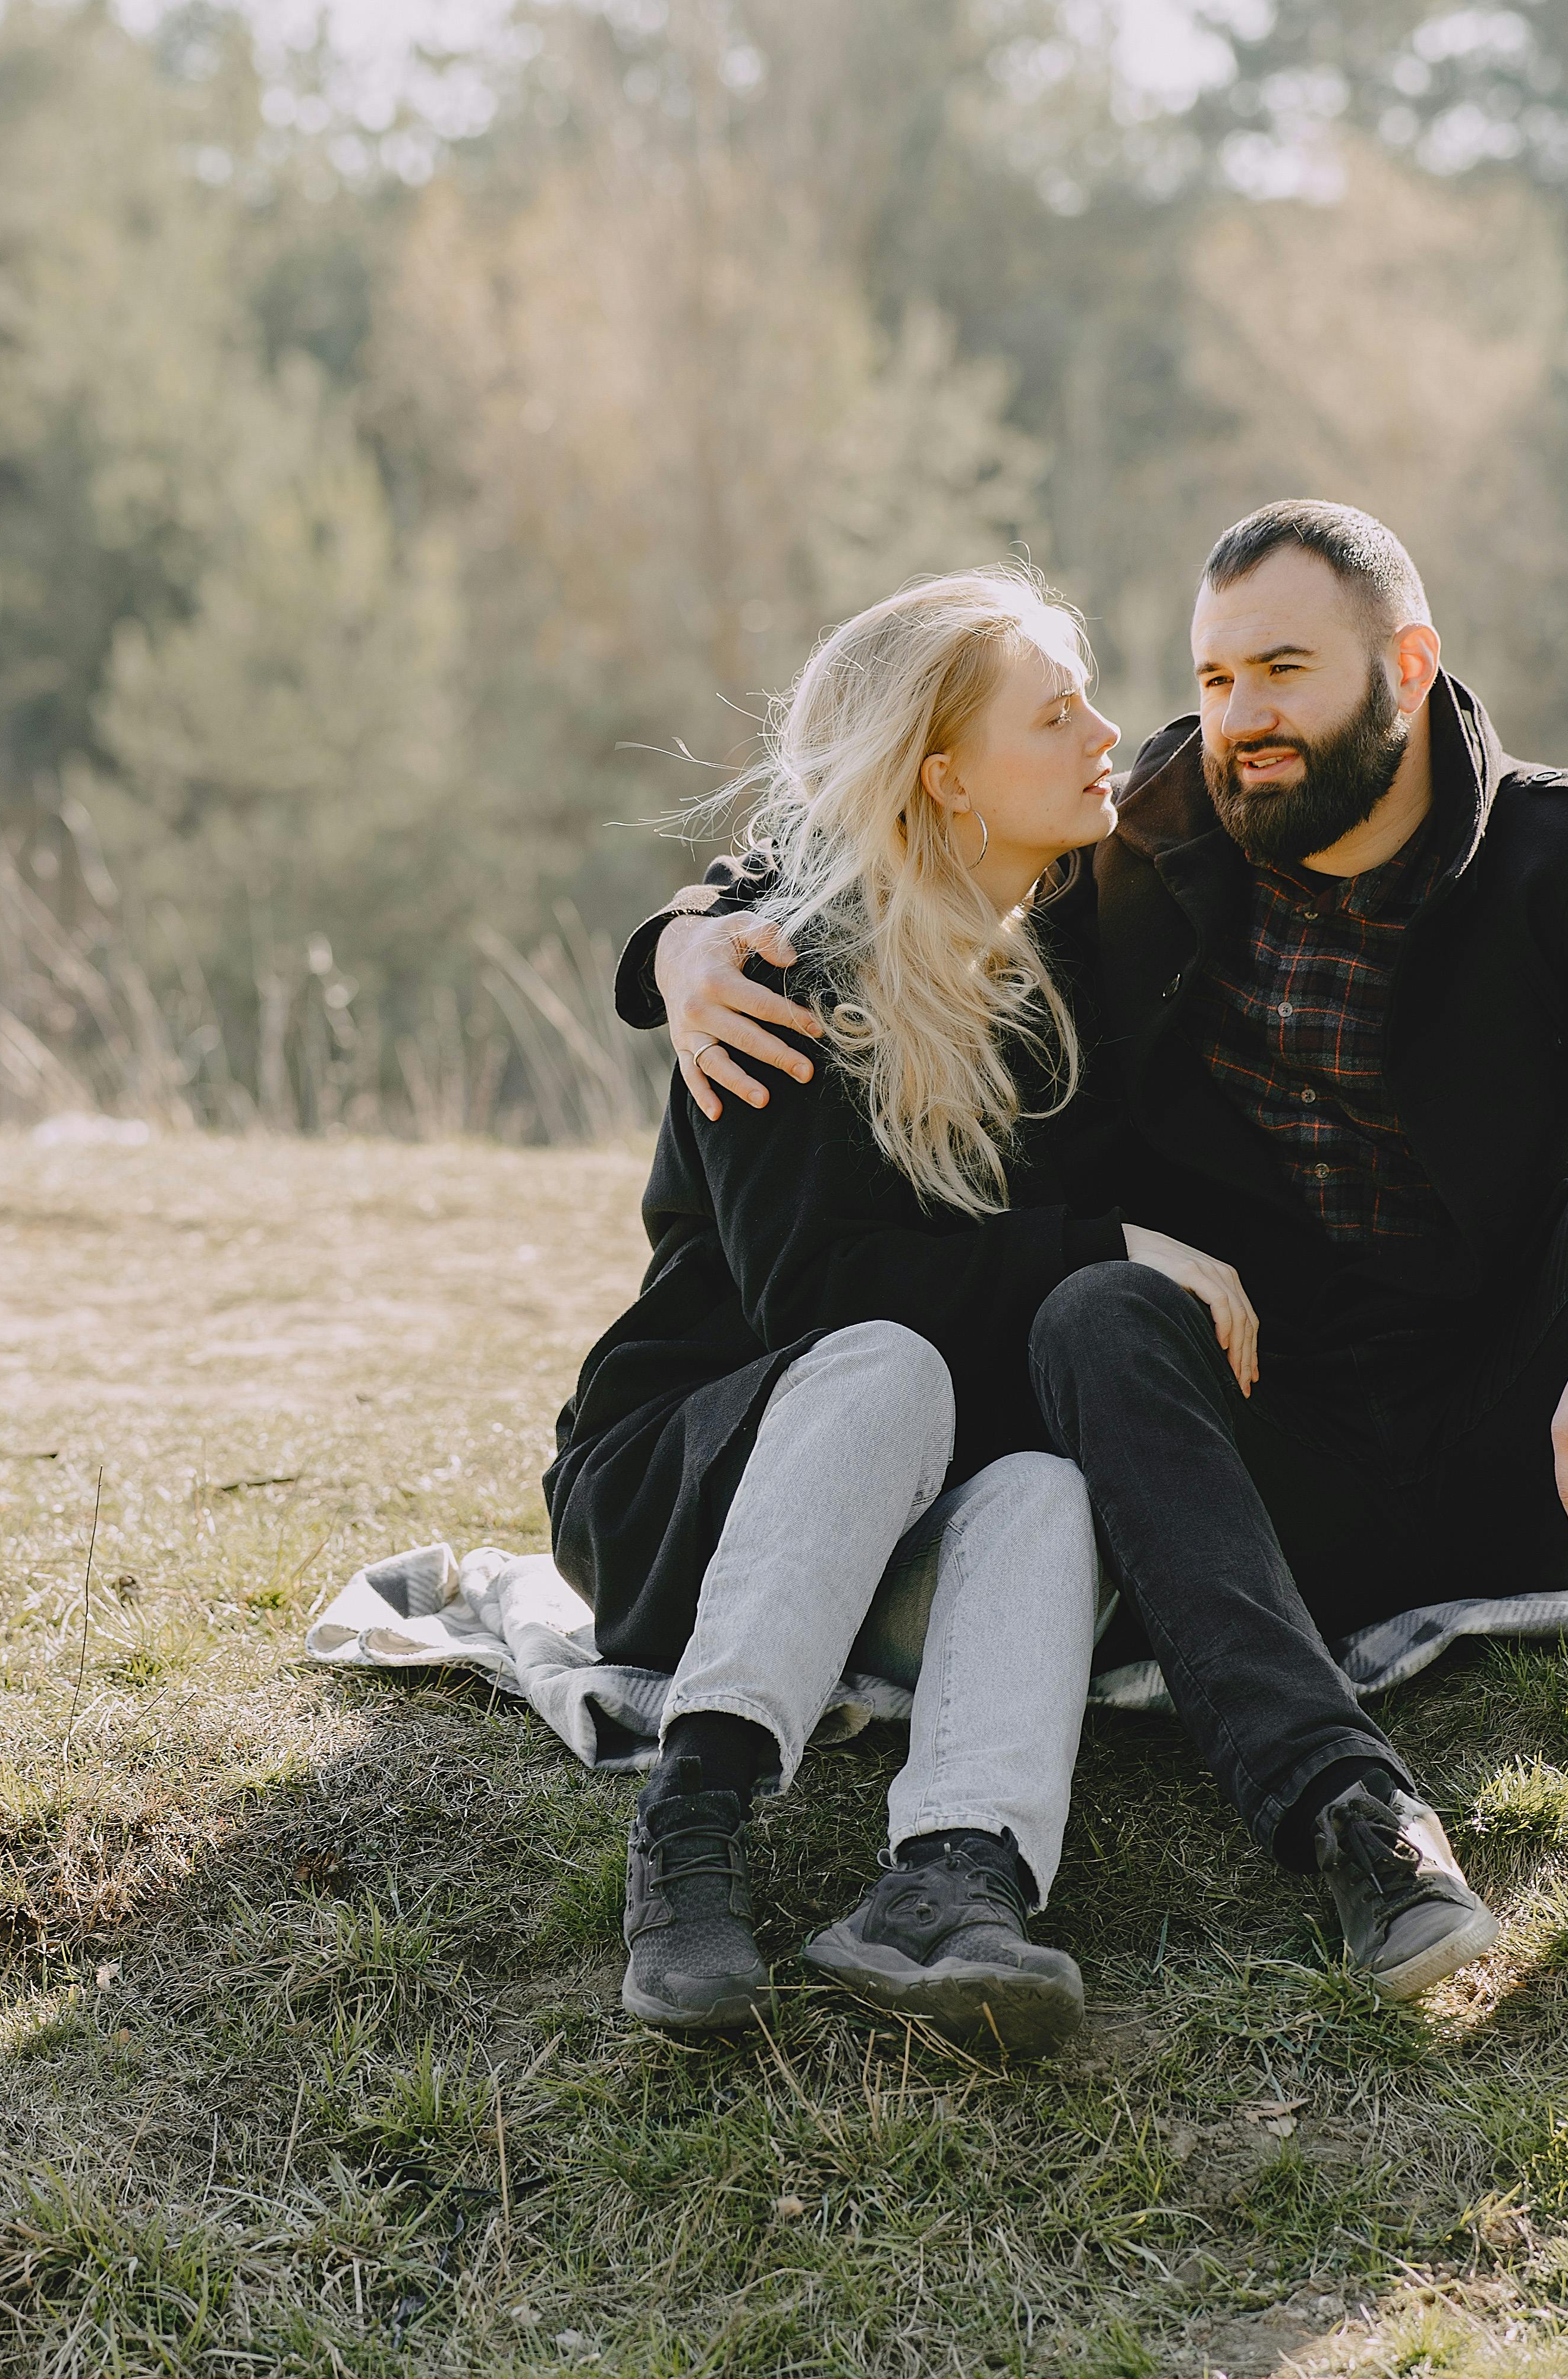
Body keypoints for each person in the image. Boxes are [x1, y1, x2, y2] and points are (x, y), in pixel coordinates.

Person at [630, 502, 1568, 2001]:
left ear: (1407, 661)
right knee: (1096, 1313)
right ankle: (1352, 1812)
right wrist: (687, 938)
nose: (1239, 719)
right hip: (1278, 1467)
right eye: (1212, 680)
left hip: (1536, 1441)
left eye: (1284, 668)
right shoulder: (1147, 833)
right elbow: (856, 838)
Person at [546, 567, 1239, 2051]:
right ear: (945, 778)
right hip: (694, 1490)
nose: (1107, 731)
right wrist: (1113, 1242)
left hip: (897, 1534)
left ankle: (950, 1886)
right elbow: (819, 1296)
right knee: (883, 1364)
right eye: (1057, 715)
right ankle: (692, 1830)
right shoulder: (774, 972)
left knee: (1050, 1488)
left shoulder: (1052, 960)